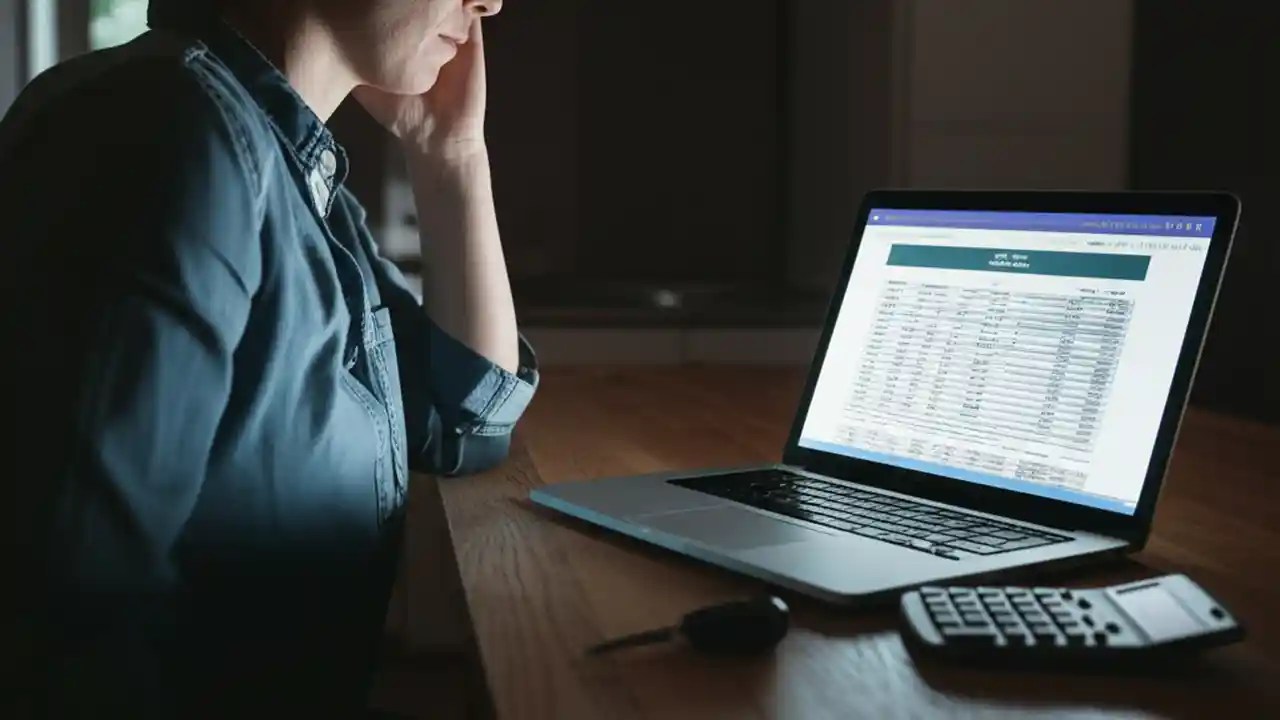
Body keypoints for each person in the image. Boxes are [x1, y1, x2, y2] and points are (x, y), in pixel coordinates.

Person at [1, 0, 535, 715]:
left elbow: (464, 419)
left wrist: (452, 156)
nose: (489, 3)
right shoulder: (175, 130)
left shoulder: (287, 168)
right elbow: (74, 616)